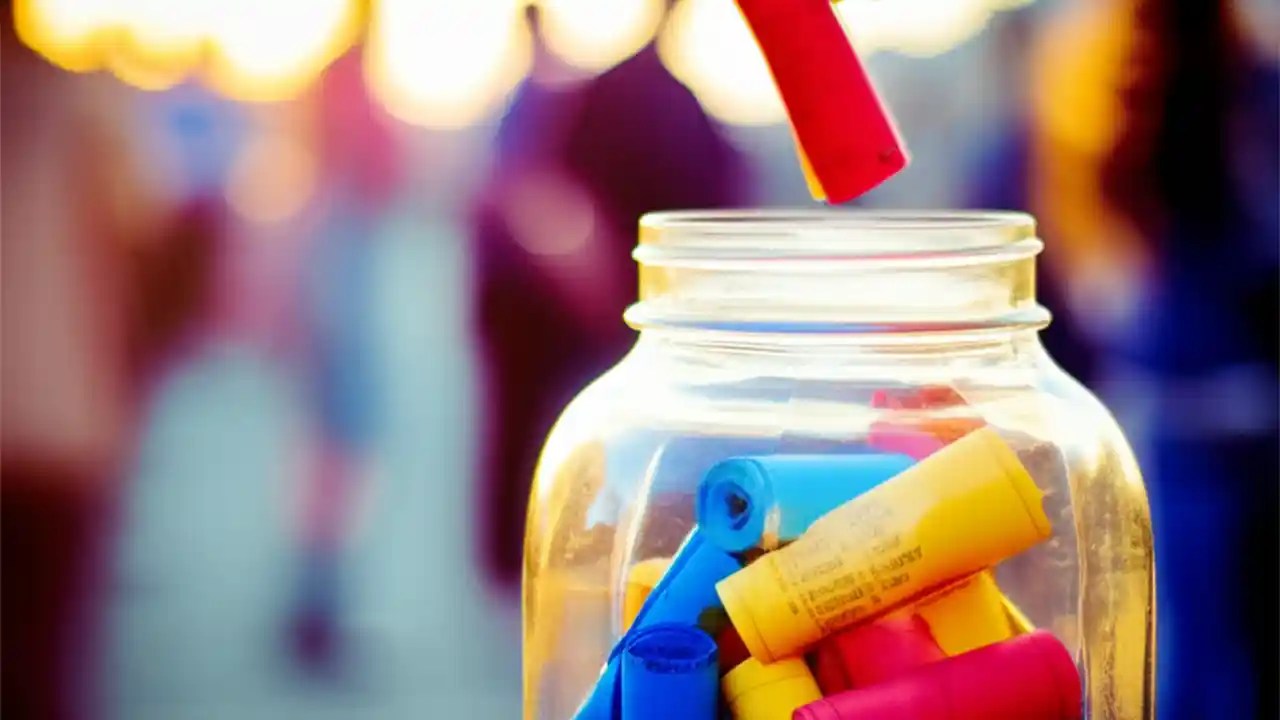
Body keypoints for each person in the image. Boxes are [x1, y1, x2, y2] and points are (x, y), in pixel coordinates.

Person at [470, 1, 755, 589]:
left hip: (618, 309)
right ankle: (524, 562)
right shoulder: (622, 96)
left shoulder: (633, 95)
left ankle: (532, 562)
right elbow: (548, 201)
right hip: (600, 312)